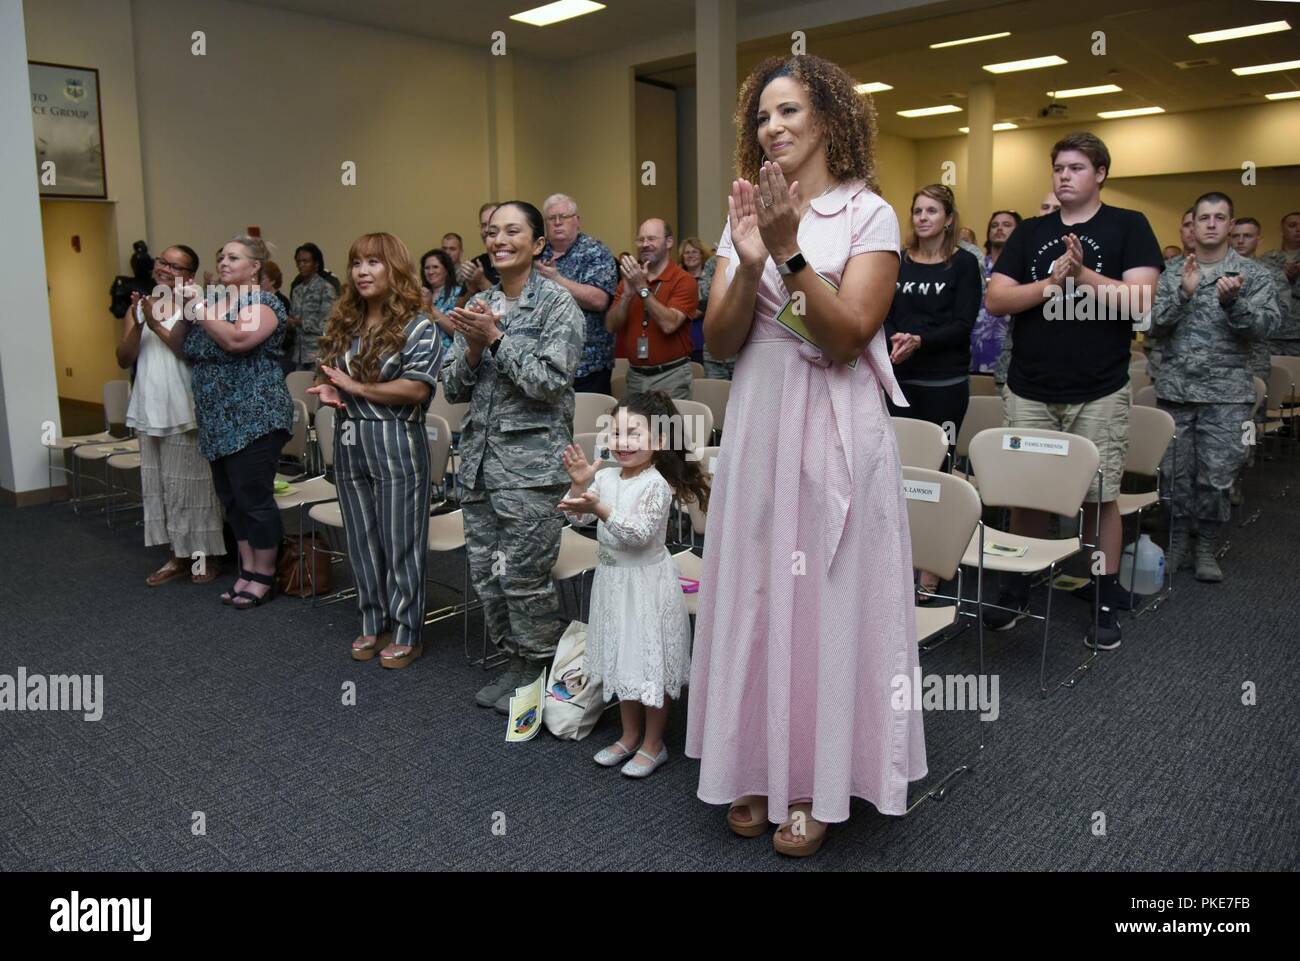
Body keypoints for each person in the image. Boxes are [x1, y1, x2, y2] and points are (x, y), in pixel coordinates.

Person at [685, 54, 925, 857]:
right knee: (755, 587)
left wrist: (788, 255)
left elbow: (850, 332)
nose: (773, 128)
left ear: (829, 118)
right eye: (762, 116)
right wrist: (749, 256)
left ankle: (820, 780)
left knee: (825, 595)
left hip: (835, 420)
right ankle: (751, 759)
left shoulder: (872, 215)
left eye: (789, 112)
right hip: (758, 416)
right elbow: (720, 341)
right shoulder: (742, 213)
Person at [984, 132, 1163, 650]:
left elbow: (1140, 301)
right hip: (1030, 386)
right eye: (1058, 167)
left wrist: (1082, 273)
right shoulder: (1031, 232)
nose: (1064, 175)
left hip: (1099, 388)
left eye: (1076, 168)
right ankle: (1016, 587)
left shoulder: (1128, 226)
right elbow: (997, 299)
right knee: (1027, 494)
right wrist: (1050, 284)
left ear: (1100, 173)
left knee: (1099, 498)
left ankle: (1103, 596)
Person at [440, 200, 585, 713]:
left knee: (524, 577)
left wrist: (495, 341)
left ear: (538, 244)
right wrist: (474, 347)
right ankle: (515, 659)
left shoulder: (557, 305)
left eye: (513, 231)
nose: (499, 240)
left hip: (529, 470)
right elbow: (453, 387)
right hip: (479, 466)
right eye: (493, 232)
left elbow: (548, 382)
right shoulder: (483, 305)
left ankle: (538, 666)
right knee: (488, 574)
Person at [310, 233, 442, 667]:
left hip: (397, 440)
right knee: (361, 539)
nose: (362, 271)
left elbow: (417, 388)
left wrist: (355, 387)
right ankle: (373, 621)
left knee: (400, 540)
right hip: (349, 439)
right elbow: (335, 378)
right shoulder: (345, 323)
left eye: (374, 262)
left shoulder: (418, 326)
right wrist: (332, 390)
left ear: (395, 269)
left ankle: (407, 630)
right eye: (356, 263)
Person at [558, 391, 706, 778]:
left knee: (647, 663)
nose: (622, 442)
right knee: (623, 659)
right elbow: (577, 521)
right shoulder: (604, 477)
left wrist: (599, 507)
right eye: (617, 433)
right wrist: (578, 487)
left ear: (658, 442)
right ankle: (628, 735)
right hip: (612, 583)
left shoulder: (656, 485)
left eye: (633, 434)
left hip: (645, 586)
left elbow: (636, 534)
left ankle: (654, 744)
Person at [151, 234, 294, 608]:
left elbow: (236, 340)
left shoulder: (264, 302)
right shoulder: (211, 302)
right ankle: (247, 570)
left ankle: (265, 574)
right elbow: (184, 346)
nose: (225, 262)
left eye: (234, 257)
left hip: (254, 415)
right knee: (231, 499)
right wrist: (184, 307)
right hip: (216, 417)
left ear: (255, 266)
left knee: (254, 498)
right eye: (222, 257)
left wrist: (198, 305)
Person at [1150, 193, 1278, 582]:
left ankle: (1205, 544)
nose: (1210, 224)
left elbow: (1265, 329)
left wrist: (1235, 303)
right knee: (1174, 474)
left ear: (1230, 225)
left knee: (1217, 476)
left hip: (1226, 395)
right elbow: (1152, 324)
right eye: (1203, 217)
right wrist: (1184, 294)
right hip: (1176, 390)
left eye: (1219, 217)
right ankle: (1176, 542)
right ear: (1192, 223)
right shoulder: (1172, 271)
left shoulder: (1253, 275)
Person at [885, 183, 981, 601]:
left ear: (947, 218)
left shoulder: (963, 265)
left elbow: (963, 323)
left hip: (944, 381)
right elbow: (881, 311)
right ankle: (896, 559)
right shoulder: (898, 262)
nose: (922, 217)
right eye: (917, 210)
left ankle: (932, 567)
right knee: (897, 475)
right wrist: (894, 341)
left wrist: (920, 341)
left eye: (931, 211)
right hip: (900, 379)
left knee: (935, 475)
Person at [116, 244, 226, 587]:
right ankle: (178, 555)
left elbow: (187, 352)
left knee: (194, 487)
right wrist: (138, 321)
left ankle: (205, 556)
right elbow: (123, 358)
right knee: (163, 486)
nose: (165, 268)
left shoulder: (196, 305)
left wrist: (153, 321)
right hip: (149, 407)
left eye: (175, 266)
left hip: (183, 407)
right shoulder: (139, 307)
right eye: (163, 261)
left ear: (188, 276)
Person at [606, 218, 698, 400]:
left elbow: (669, 324)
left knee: (667, 429)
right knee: (635, 429)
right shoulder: (631, 279)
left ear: (669, 242)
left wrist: (642, 289)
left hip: (671, 377)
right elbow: (611, 326)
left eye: (651, 239)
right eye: (641, 240)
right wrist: (626, 296)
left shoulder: (683, 280)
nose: (645, 244)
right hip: (635, 376)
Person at [537, 193, 618, 395]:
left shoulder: (595, 252)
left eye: (563, 217)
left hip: (587, 364)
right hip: (544, 365)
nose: (557, 223)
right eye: (551, 218)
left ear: (577, 221)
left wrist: (557, 280)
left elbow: (599, 300)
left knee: (588, 425)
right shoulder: (536, 253)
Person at [994, 192, 1058, 392]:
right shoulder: (1024, 249)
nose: (1049, 213)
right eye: (1045, 207)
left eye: (1056, 208)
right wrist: (1052, 283)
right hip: (1024, 366)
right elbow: (995, 301)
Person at [970, 210, 1021, 373]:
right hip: (972, 353)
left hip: (1008, 356)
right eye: (995, 225)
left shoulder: (1023, 268)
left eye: (1007, 225)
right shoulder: (975, 266)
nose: (999, 229)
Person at [289, 243, 338, 370]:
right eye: (298, 261)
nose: (301, 265)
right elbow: (292, 317)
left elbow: (327, 326)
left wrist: (300, 323)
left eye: (305, 261)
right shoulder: (297, 290)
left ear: (316, 264)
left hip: (318, 354)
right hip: (299, 355)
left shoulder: (326, 289)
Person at [1260, 211, 1300, 356]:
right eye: (1292, 225)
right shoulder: (1267, 258)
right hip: (1272, 332)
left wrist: (1295, 279)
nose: (1298, 229)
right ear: (1282, 230)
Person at [419, 247, 463, 356]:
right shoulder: (418, 296)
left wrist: (431, 307)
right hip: (421, 359)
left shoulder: (459, 294)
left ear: (446, 269)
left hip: (447, 360)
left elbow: (459, 333)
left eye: (435, 267)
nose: (430, 271)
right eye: (427, 268)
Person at [456, 202, 501, 300]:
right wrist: (471, 290)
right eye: (483, 225)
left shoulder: (513, 260)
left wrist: (482, 282)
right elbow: (458, 309)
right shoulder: (476, 263)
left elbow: (509, 309)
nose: (486, 229)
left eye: (491, 224)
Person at [260, 260, 296, 376]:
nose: (259, 282)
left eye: (263, 278)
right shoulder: (260, 300)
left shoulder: (280, 301)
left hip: (279, 354)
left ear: (273, 280)